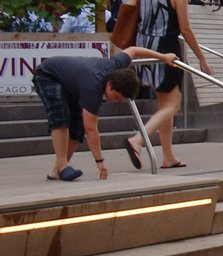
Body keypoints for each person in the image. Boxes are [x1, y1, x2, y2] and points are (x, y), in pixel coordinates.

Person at [33, 45, 175, 181]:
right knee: (61, 117)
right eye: (117, 97)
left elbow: (134, 50)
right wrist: (99, 161)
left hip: (69, 82)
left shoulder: (116, 65)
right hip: (48, 75)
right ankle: (63, 166)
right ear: (110, 85)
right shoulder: (93, 87)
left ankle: (56, 171)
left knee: (77, 128)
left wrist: (163, 57)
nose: (116, 101)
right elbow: (91, 129)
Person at [125, 0, 211, 170]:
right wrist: (201, 58)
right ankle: (138, 139)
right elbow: (186, 29)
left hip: (144, 48)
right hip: (166, 48)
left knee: (164, 103)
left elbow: (128, 12)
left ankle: (168, 156)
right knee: (173, 104)